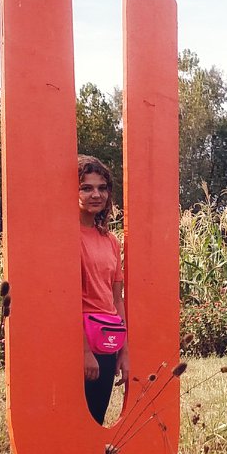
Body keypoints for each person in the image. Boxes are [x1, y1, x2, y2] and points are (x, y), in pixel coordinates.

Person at [77, 154, 127, 425]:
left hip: (106, 339)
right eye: (86, 188)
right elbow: (67, 299)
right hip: (79, 339)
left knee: (96, 418)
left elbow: (116, 299)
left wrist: (124, 351)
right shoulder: (66, 237)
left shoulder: (110, 241)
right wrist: (84, 351)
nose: (96, 194)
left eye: (102, 188)